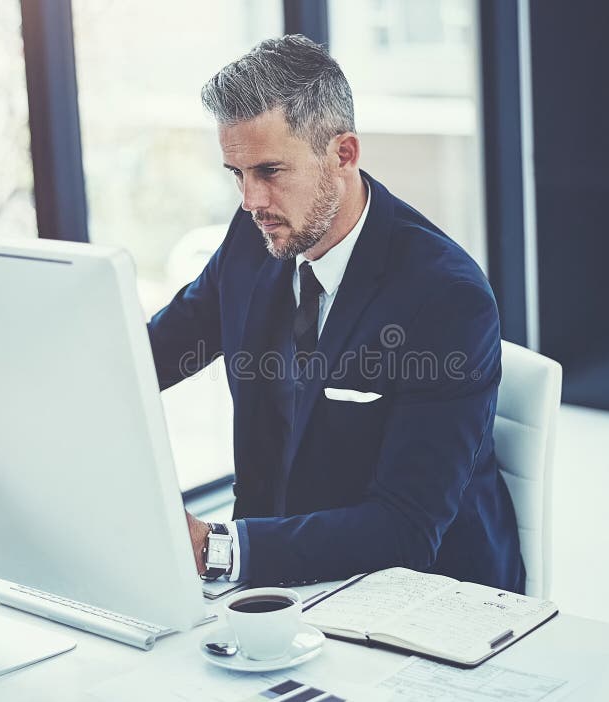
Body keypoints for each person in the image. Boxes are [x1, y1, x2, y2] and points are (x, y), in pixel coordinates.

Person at [148, 34, 524, 592]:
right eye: (237, 173)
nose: (250, 201)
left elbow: (407, 530)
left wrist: (215, 547)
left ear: (343, 155)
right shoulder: (256, 238)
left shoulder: (448, 297)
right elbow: (156, 352)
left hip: (425, 598)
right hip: (281, 578)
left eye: (270, 172)